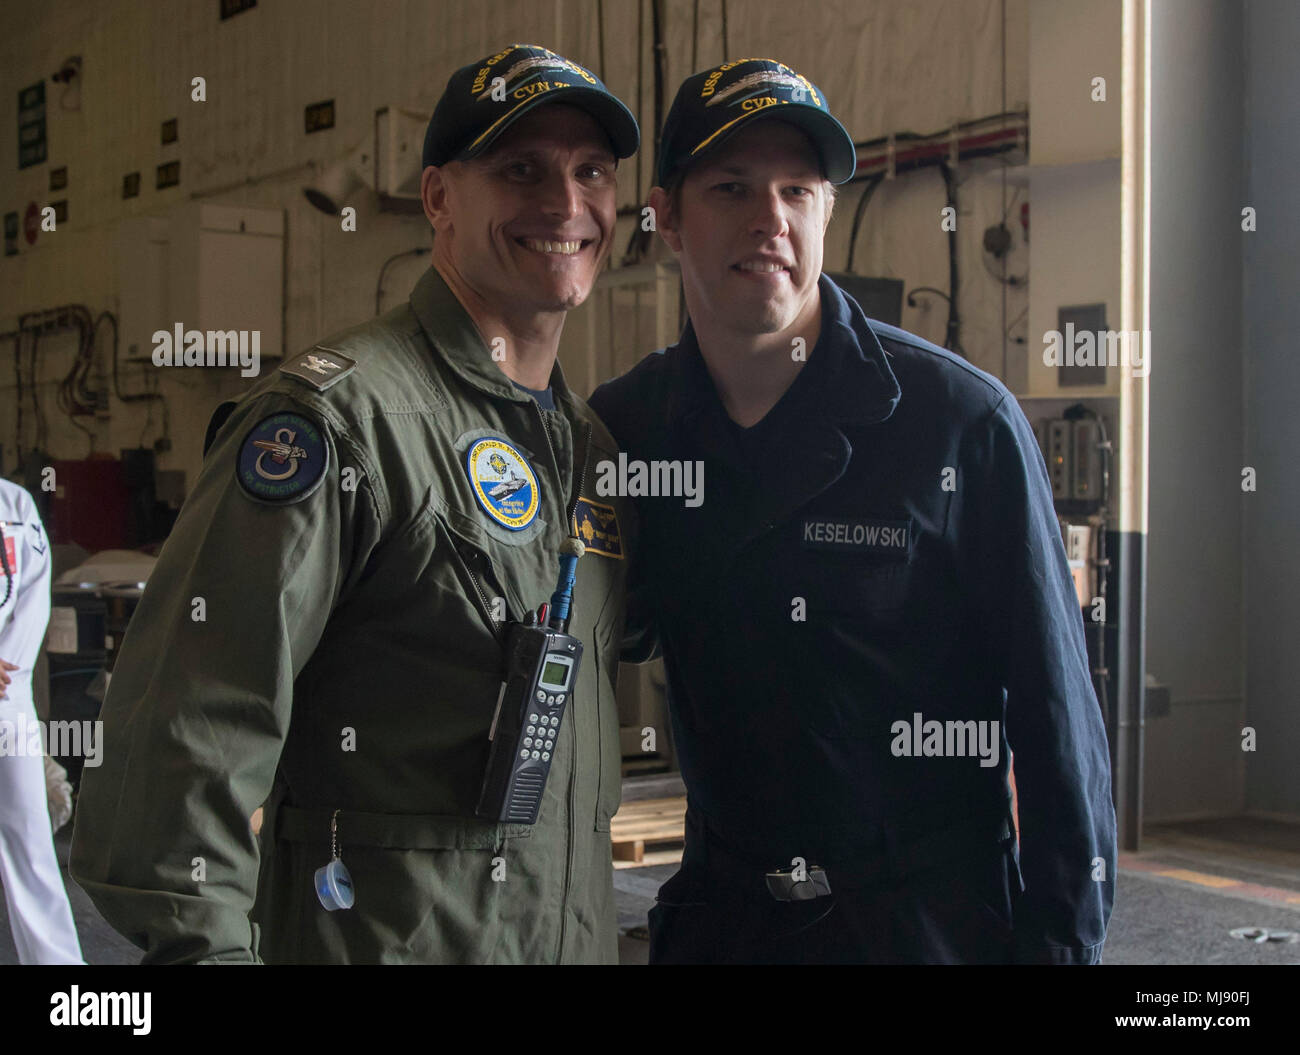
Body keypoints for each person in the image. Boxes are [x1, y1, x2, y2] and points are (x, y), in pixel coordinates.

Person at [71, 44, 639, 964]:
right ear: (439, 199)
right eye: (520, 169)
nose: (566, 204)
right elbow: (182, 746)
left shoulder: (591, 450)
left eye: (591, 173)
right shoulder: (334, 424)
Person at [588, 58, 1117, 964]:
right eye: (732, 187)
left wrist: (1063, 951)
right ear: (665, 215)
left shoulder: (959, 425)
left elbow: (1058, 732)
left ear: (828, 209)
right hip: (727, 925)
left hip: (924, 931)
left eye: (799, 189)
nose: (772, 220)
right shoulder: (628, 430)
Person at [0, 478, 84, 964]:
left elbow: (33, 594)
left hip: (7, 698)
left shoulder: (15, 503)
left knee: (31, 843)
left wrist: (9, 668)